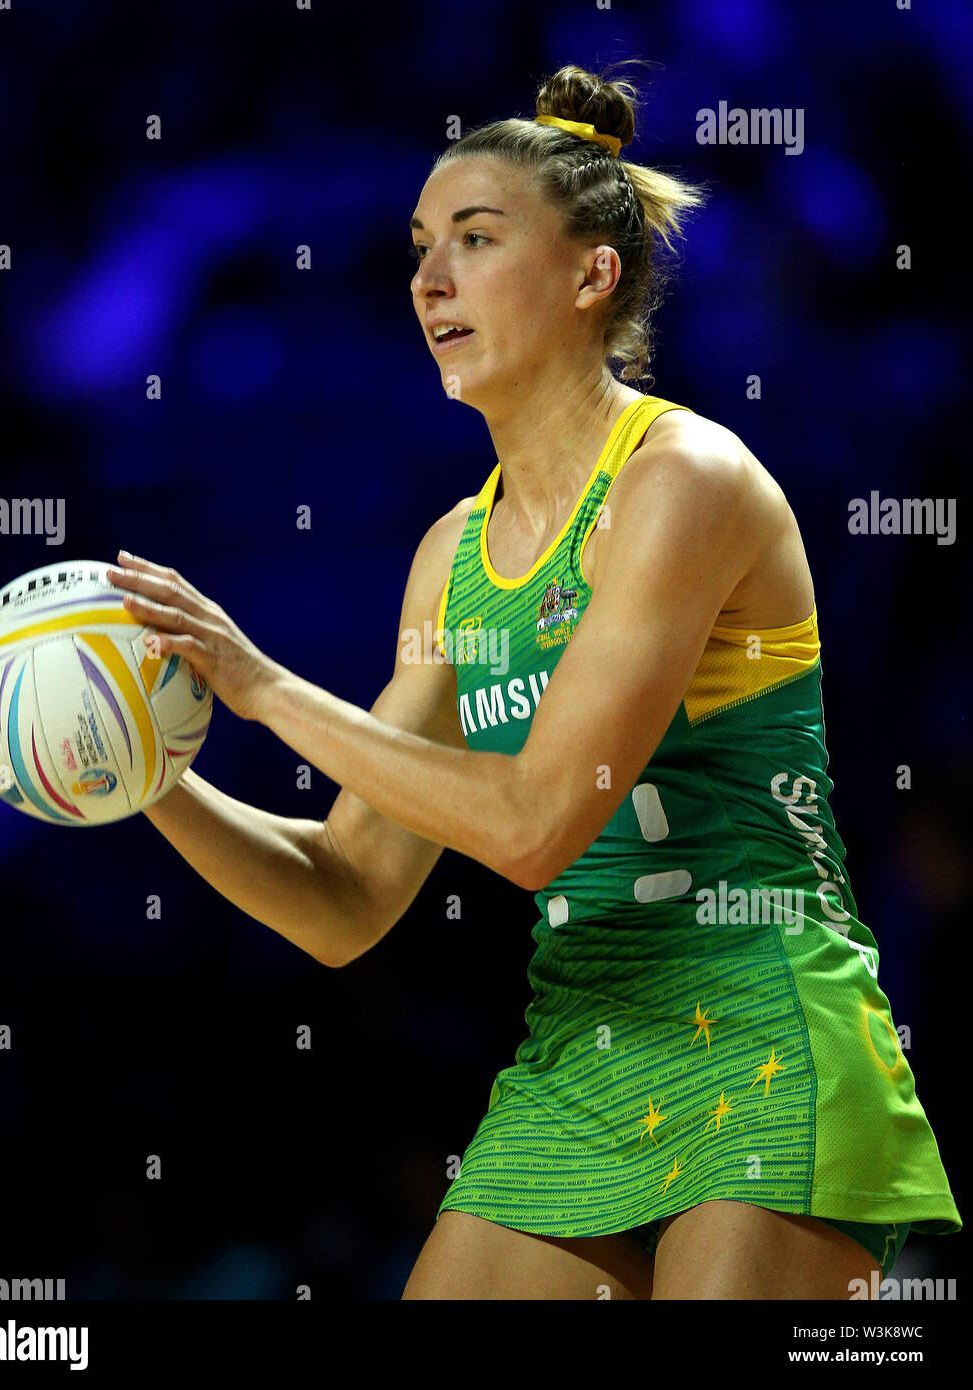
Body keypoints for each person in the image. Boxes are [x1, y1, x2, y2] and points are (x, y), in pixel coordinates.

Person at [107, 62, 961, 1299]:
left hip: (767, 1029)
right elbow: (346, 898)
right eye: (417, 247)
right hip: (578, 1057)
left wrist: (261, 687)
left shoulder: (683, 481)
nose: (428, 278)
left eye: (474, 238)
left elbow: (534, 823)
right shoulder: (451, 555)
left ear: (589, 275)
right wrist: (141, 770)